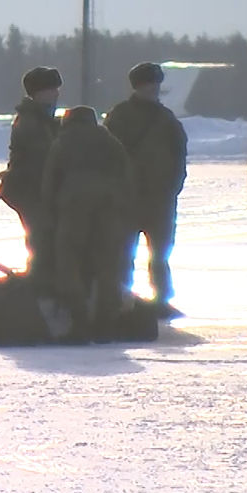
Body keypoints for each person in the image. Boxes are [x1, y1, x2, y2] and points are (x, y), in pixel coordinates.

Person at [105, 62, 188, 319]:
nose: (153, 88)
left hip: (159, 198)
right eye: (148, 84)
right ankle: (121, 300)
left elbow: (179, 155)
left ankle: (161, 298)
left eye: (156, 84)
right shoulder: (120, 116)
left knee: (160, 253)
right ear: (137, 86)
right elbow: (108, 154)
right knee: (123, 253)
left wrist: (173, 186)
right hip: (128, 197)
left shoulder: (166, 119)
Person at [40, 106, 133, 335]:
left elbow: (50, 180)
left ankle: (78, 319)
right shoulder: (111, 142)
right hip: (109, 207)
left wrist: (49, 213)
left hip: (73, 207)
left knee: (69, 260)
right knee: (107, 264)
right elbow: (127, 176)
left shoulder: (63, 142)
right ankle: (105, 323)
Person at [0, 67, 62, 270]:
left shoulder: (43, 120)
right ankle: (40, 287)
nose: (56, 93)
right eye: (51, 89)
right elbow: (43, 159)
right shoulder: (31, 123)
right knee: (42, 244)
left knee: (46, 243)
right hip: (32, 192)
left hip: (38, 191)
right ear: (38, 93)